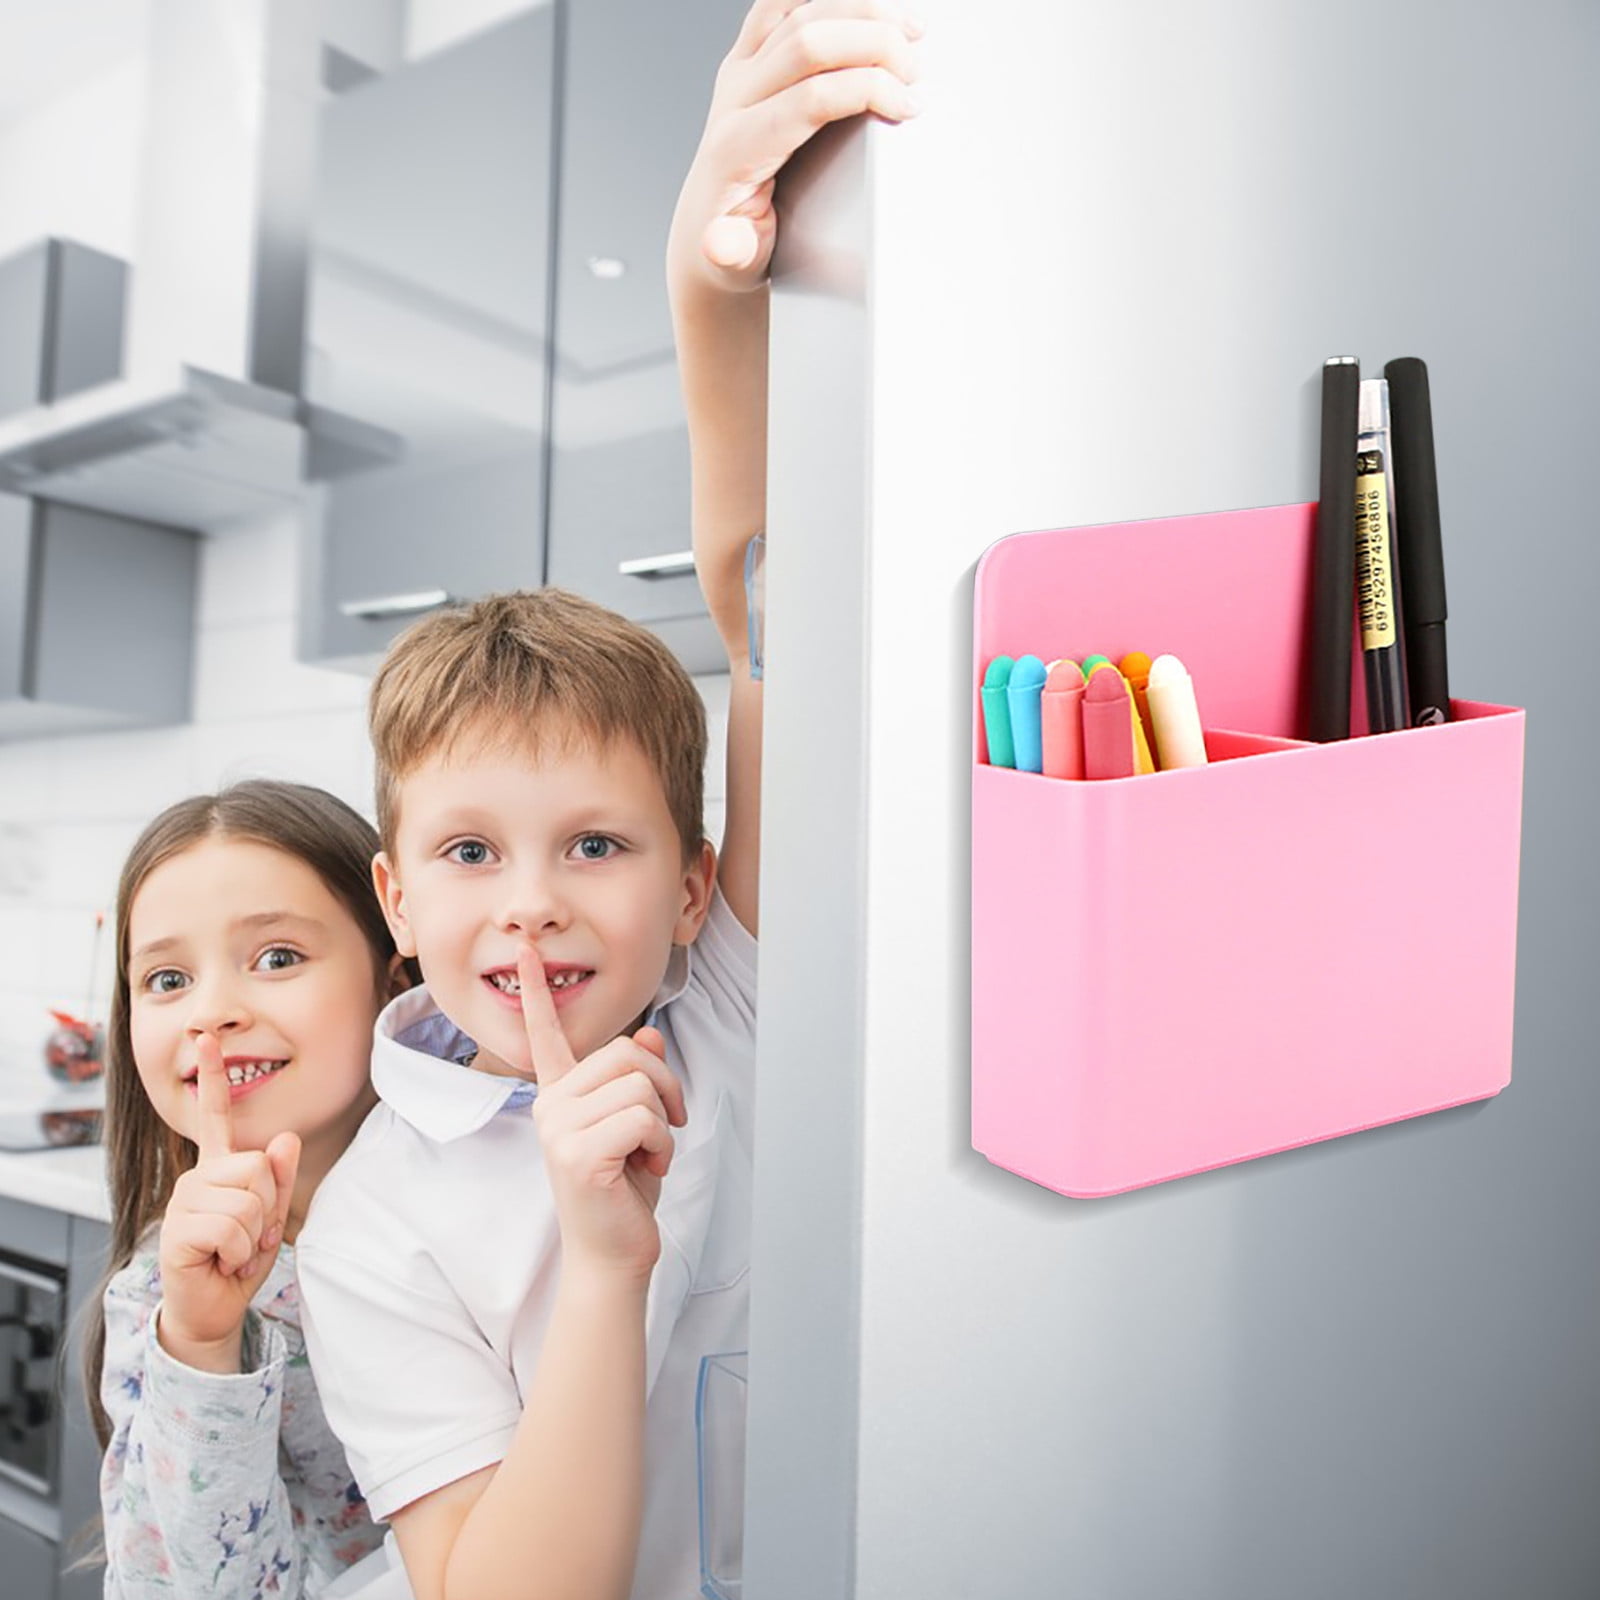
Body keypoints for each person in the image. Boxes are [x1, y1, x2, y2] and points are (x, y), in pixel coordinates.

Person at [294, 7, 921, 1598]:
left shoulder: (731, 1009)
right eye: (468, 852)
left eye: (595, 844)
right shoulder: (373, 1228)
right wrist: (603, 1260)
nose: (530, 900)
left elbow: (772, 573)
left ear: (696, 886)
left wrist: (704, 273)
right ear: (397, 900)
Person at [86, 780, 416, 1597]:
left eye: (277, 958)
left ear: (392, 975)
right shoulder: (157, 1302)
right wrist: (201, 1346)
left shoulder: (497, 1187)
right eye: (166, 979)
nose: (212, 1013)